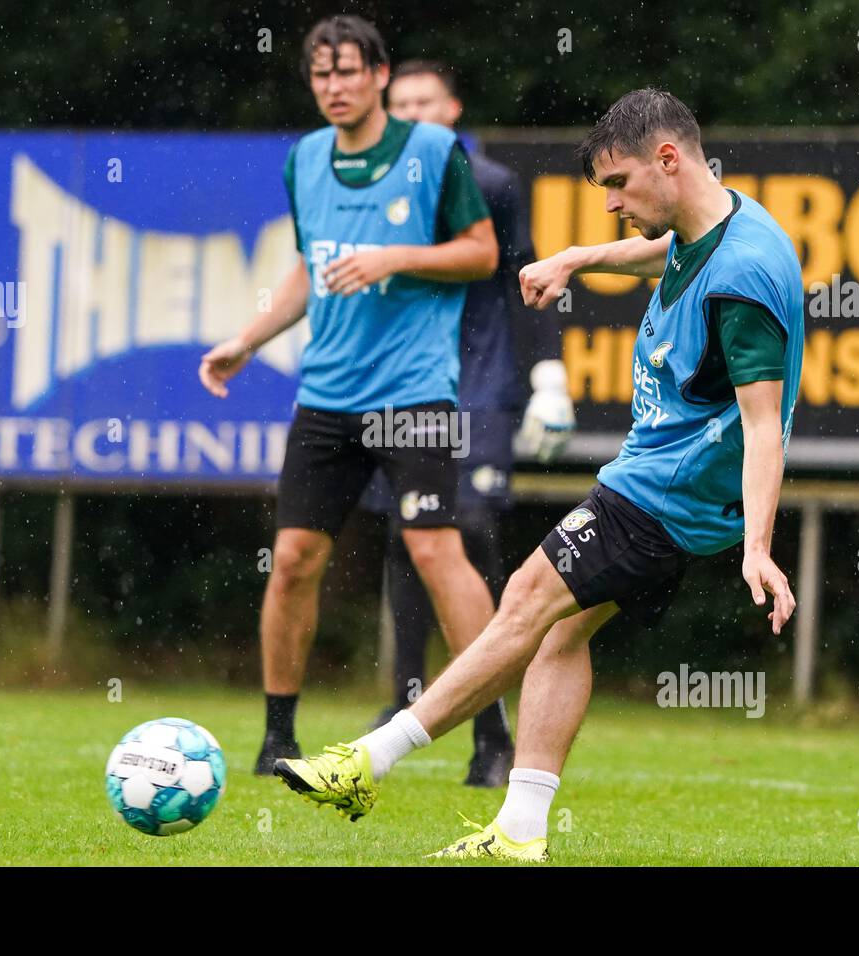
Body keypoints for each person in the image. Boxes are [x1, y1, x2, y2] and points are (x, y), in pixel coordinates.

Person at [273, 88, 804, 861]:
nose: (614, 205)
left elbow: (764, 426)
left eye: (619, 185)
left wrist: (759, 546)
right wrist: (580, 258)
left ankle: (367, 759)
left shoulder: (746, 276)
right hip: (661, 477)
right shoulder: (722, 225)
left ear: (668, 159)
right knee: (557, 631)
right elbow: (672, 252)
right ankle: (520, 834)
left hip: (670, 493)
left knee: (524, 596)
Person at [198, 15, 501, 776]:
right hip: (327, 396)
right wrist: (248, 338)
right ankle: (277, 738)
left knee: (436, 549)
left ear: (380, 76)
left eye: (348, 72)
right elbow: (309, 265)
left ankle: (493, 735)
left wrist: (395, 256)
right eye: (321, 74)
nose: (335, 87)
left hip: (417, 393)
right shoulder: (304, 158)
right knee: (295, 557)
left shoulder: (433, 153)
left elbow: (481, 253)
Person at [360, 58, 576, 788]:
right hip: (402, 389)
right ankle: (404, 700)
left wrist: (548, 377)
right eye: (401, 103)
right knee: (405, 538)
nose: (413, 112)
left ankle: (491, 731)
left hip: (477, 391)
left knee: (472, 540)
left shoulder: (489, 184)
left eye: (426, 100)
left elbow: (526, 282)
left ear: (453, 109)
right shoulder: (375, 187)